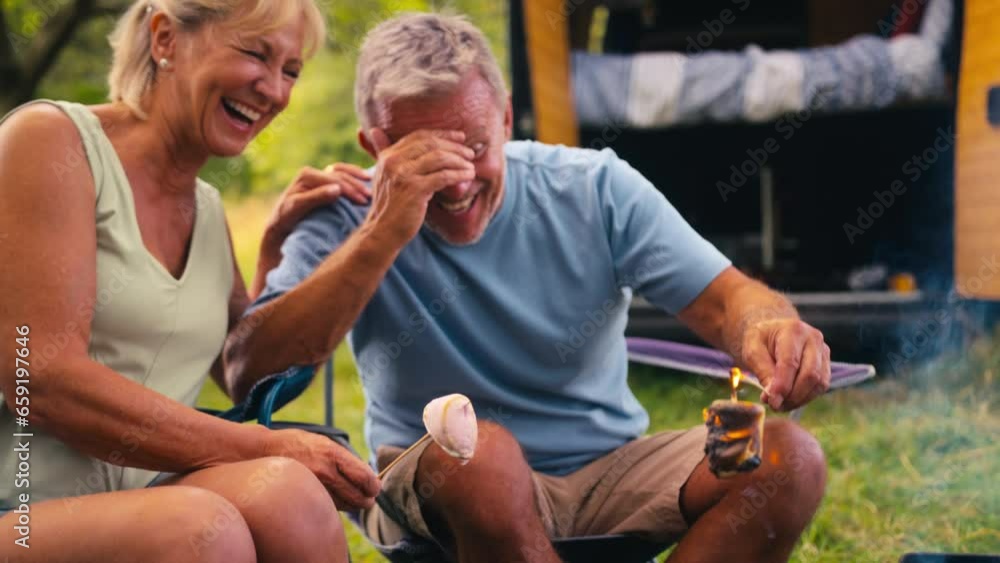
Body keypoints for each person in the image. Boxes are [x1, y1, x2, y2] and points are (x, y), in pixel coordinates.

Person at [226, 12, 832, 563]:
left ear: (509, 118)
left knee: (787, 460)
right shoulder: (345, 215)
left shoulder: (593, 187)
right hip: (442, 481)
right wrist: (383, 230)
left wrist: (767, 327)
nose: (458, 185)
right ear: (373, 147)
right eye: (425, 160)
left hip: (610, 471)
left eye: (476, 148)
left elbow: (728, 300)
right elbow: (250, 375)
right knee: (480, 455)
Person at [0, 1, 380, 561]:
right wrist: (260, 444)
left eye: (291, 71)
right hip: (23, 512)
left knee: (289, 496)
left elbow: (245, 378)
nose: (274, 89)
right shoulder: (47, 140)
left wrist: (289, 255)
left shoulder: (205, 208)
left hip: (150, 492)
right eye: (255, 52)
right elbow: (39, 377)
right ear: (165, 39)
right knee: (203, 529)